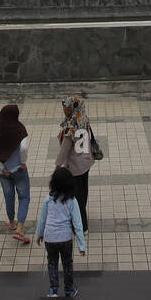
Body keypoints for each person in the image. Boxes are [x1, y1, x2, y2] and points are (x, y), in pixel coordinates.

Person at [34, 167, 86, 299]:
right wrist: (81, 245)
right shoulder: (72, 201)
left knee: (52, 262)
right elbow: (78, 224)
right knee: (67, 263)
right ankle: (69, 290)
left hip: (49, 237)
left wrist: (39, 234)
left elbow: (42, 219)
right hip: (65, 238)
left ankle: (54, 290)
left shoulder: (49, 199)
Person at [0, 104, 31, 243]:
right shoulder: (19, 129)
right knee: (24, 197)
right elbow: (23, 148)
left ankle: (11, 223)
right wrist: (22, 162)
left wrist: (2, 168)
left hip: (3, 173)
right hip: (19, 170)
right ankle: (20, 227)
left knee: (8, 196)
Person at [55, 95, 94, 233]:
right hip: (85, 163)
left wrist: (58, 165)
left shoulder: (72, 126)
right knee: (83, 193)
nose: (64, 111)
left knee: (76, 198)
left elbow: (66, 147)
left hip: (75, 166)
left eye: (66, 108)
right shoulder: (82, 117)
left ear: (72, 107)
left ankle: (82, 226)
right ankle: (82, 221)